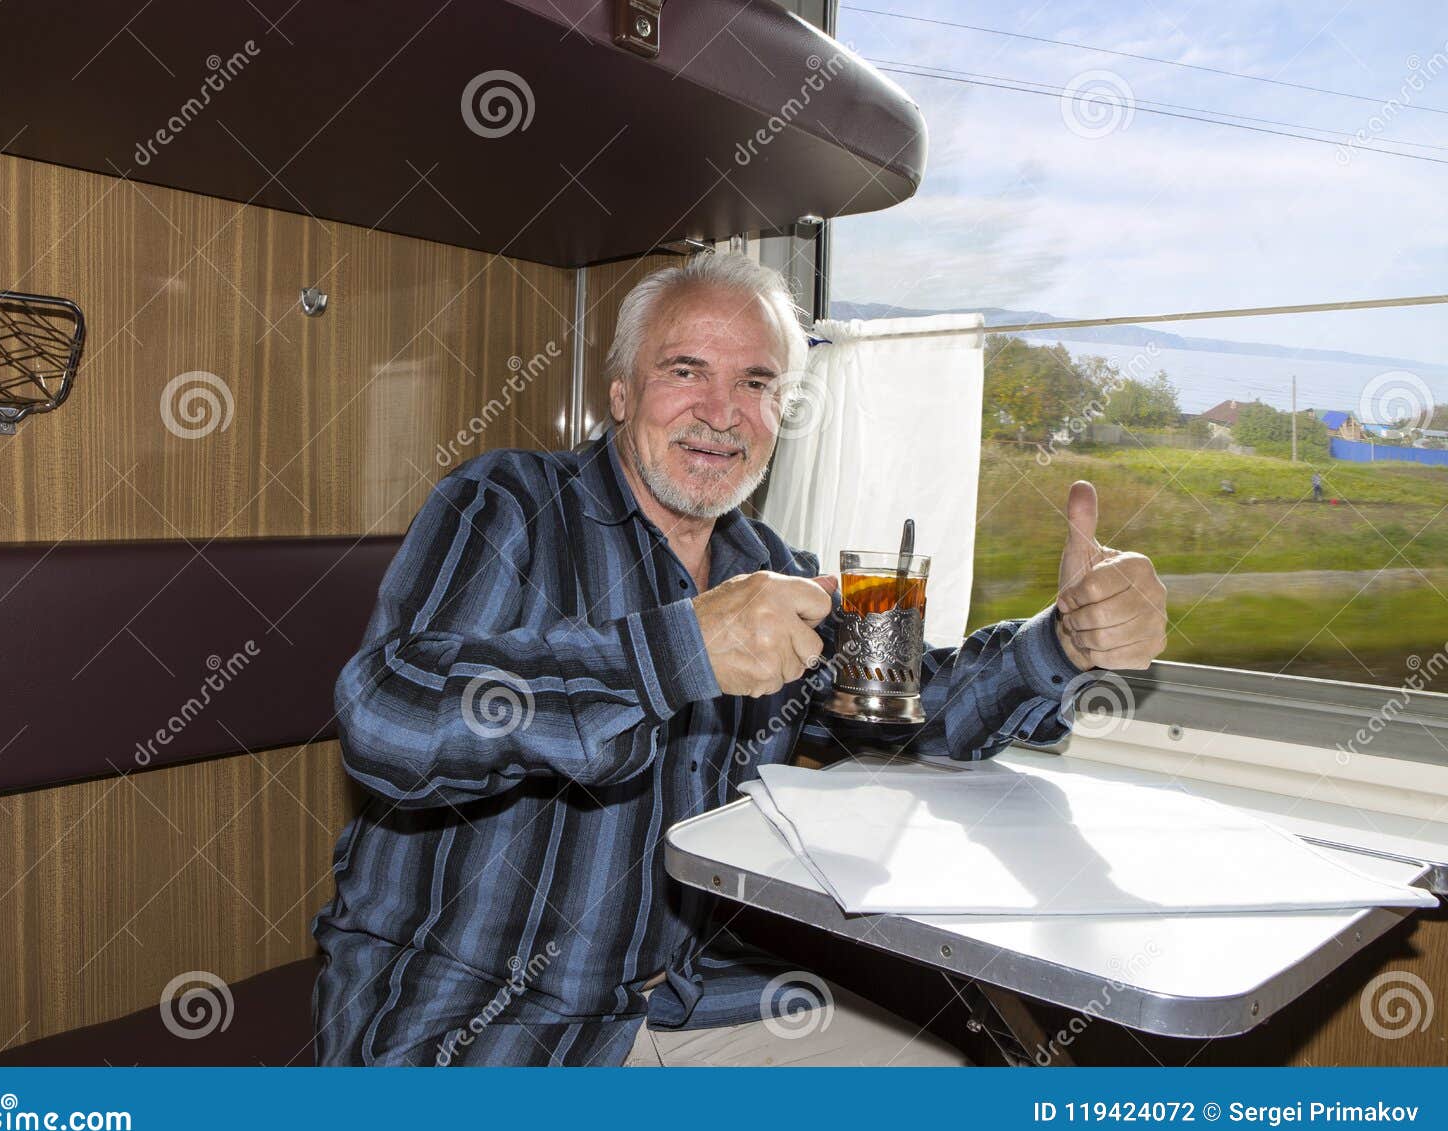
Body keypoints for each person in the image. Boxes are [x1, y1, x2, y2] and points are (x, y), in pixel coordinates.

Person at [310, 252, 1169, 1066]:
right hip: (475, 1022)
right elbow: (387, 716)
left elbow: (905, 708)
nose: (723, 412)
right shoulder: (510, 506)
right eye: (686, 371)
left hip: (678, 999)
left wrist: (1060, 641)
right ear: (619, 392)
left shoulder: (771, 567)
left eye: (756, 383)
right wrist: (676, 651)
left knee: (938, 1070)